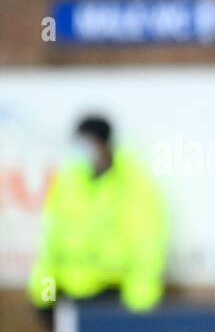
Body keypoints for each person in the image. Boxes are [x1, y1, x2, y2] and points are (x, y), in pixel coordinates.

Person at [28, 116, 167, 314]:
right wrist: (45, 294)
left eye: (86, 144)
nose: (80, 151)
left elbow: (147, 246)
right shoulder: (68, 182)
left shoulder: (134, 186)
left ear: (104, 145)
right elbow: (50, 245)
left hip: (112, 297)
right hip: (67, 294)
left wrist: (138, 303)